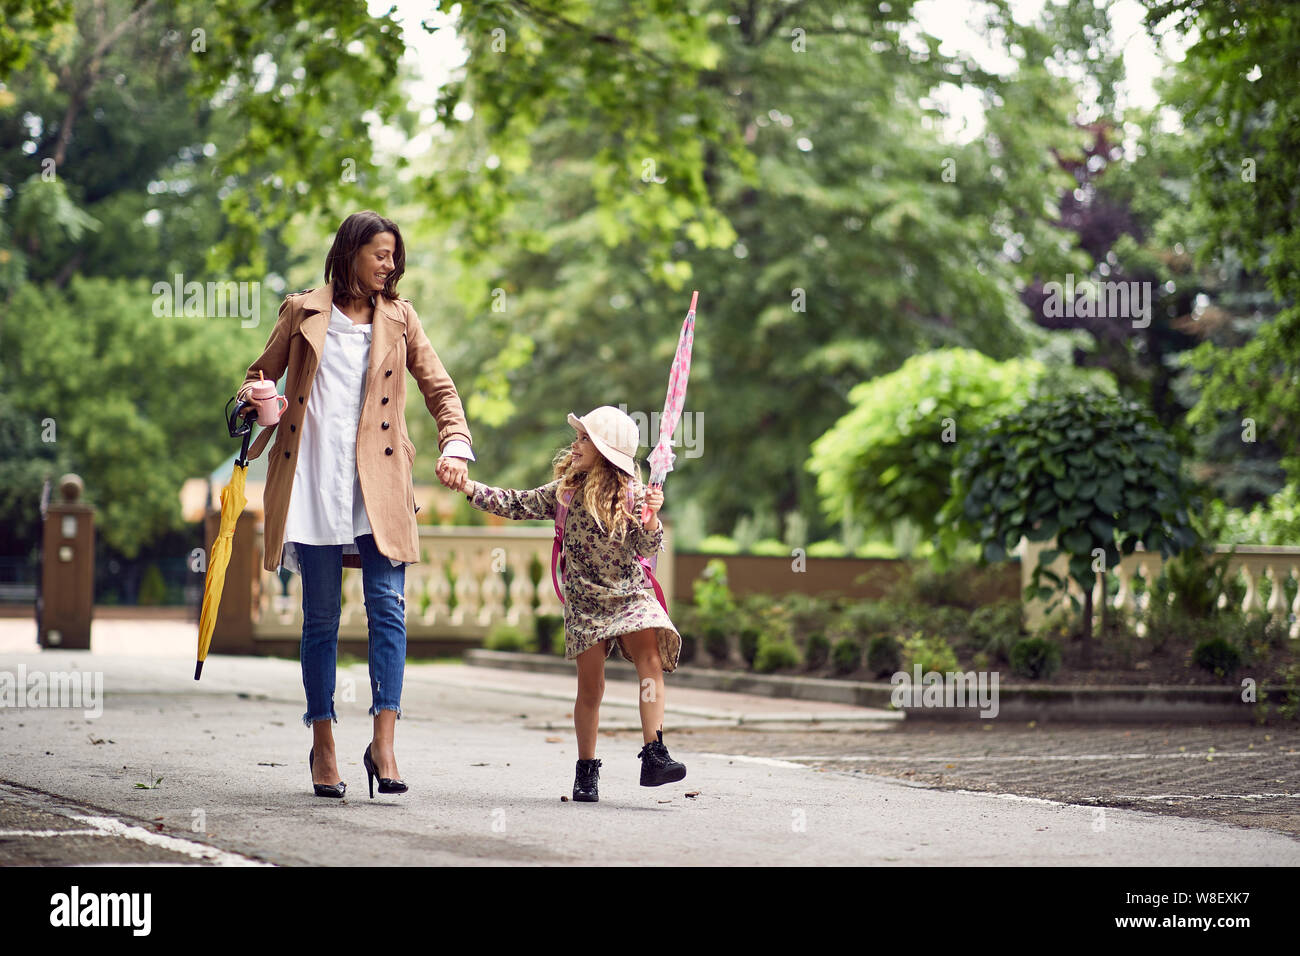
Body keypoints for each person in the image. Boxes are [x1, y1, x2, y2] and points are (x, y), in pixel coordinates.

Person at [236, 210, 473, 799]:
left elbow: (439, 387)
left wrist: (456, 443)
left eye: (394, 255)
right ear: (350, 254)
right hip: (312, 477)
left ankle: (384, 743)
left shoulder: (401, 317)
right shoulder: (301, 310)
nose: (390, 265)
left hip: (380, 481)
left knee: (387, 610)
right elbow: (257, 376)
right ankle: (323, 744)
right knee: (320, 619)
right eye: (380, 254)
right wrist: (255, 398)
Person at [449, 405, 686, 802]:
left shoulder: (633, 495)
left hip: (630, 593)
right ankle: (586, 771)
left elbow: (647, 548)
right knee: (591, 688)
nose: (574, 445)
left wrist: (650, 518)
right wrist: (470, 487)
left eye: (583, 439)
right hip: (585, 602)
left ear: (605, 451)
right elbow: (516, 503)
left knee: (651, 660)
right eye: (577, 438)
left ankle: (654, 753)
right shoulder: (565, 493)